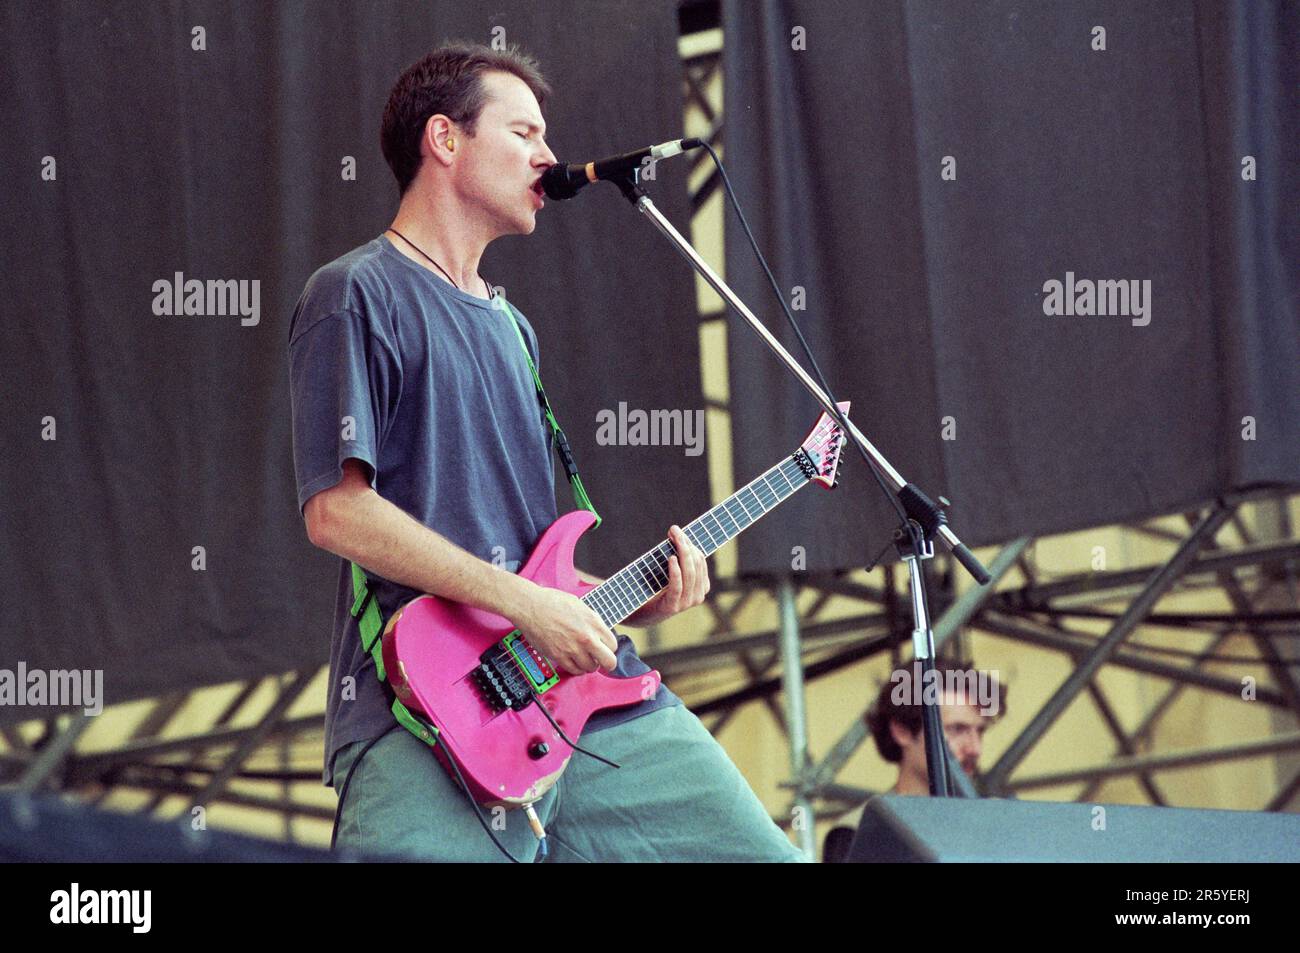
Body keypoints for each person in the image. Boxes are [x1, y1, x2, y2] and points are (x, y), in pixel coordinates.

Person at [287, 41, 803, 862]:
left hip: (578, 703)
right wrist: (529, 608)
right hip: (424, 712)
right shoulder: (355, 292)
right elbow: (336, 511)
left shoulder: (514, 328)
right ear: (445, 140)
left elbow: (527, 564)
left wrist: (626, 598)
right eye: (524, 131)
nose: (549, 156)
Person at [823, 657, 1006, 861]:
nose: (975, 748)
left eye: (980, 731)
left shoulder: (998, 822)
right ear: (902, 731)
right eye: (957, 729)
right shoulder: (860, 830)